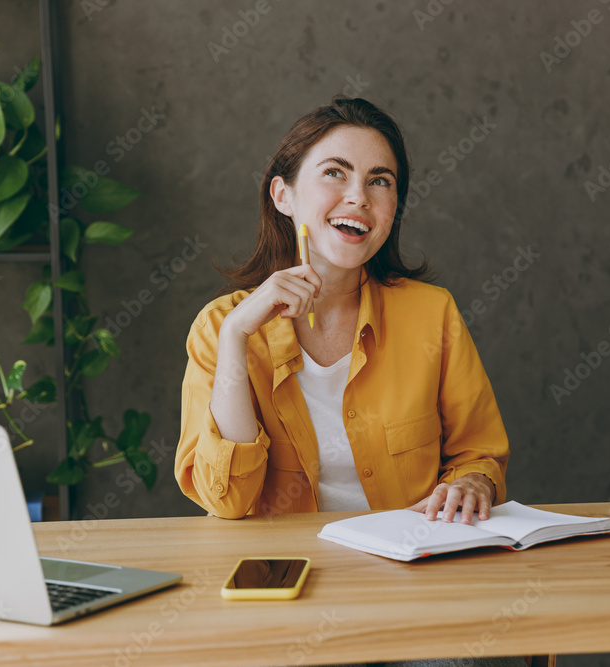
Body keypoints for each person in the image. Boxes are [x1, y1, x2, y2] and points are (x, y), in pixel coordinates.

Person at [175, 97, 510, 526]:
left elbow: (478, 455)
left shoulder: (433, 312)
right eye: (335, 172)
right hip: (287, 572)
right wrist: (236, 337)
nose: (359, 197)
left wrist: (473, 482)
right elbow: (229, 502)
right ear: (283, 196)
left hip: (412, 567)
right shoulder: (221, 327)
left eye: (380, 181)